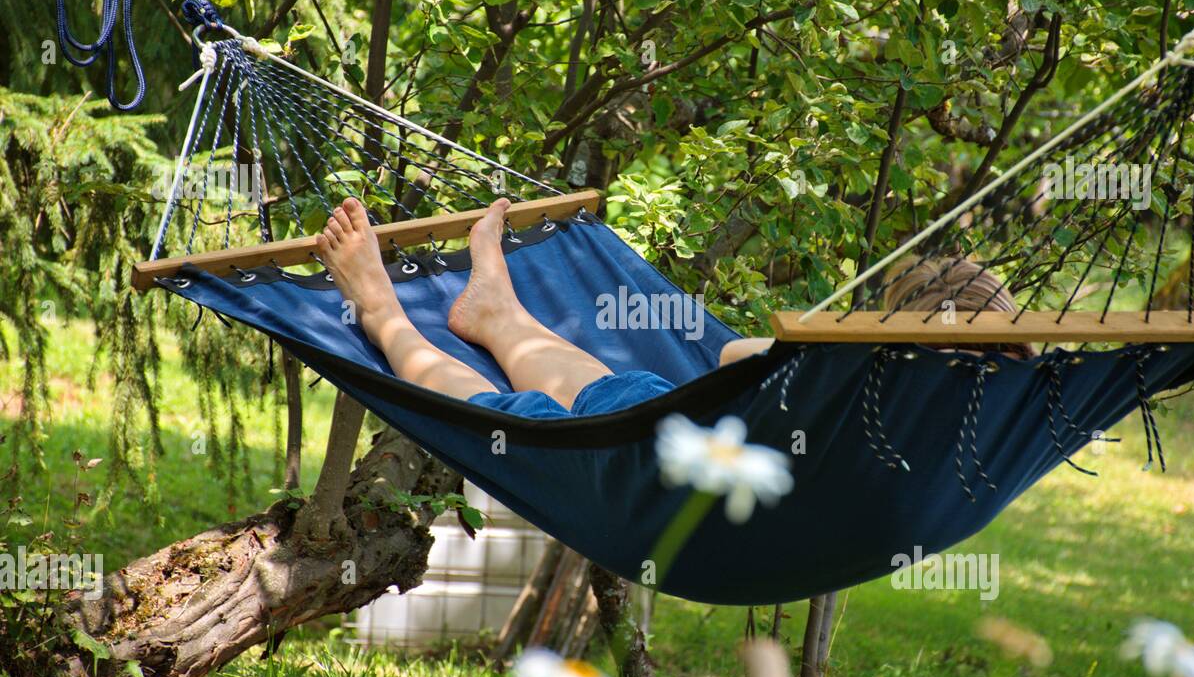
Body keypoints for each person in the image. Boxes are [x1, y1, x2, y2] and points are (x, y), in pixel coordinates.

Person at [315, 198, 1027, 420]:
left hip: (667, 457)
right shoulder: (995, 418)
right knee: (613, 398)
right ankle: (499, 317)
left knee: (527, 417)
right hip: (671, 442)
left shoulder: (866, 378)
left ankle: (381, 311)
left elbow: (728, 354)